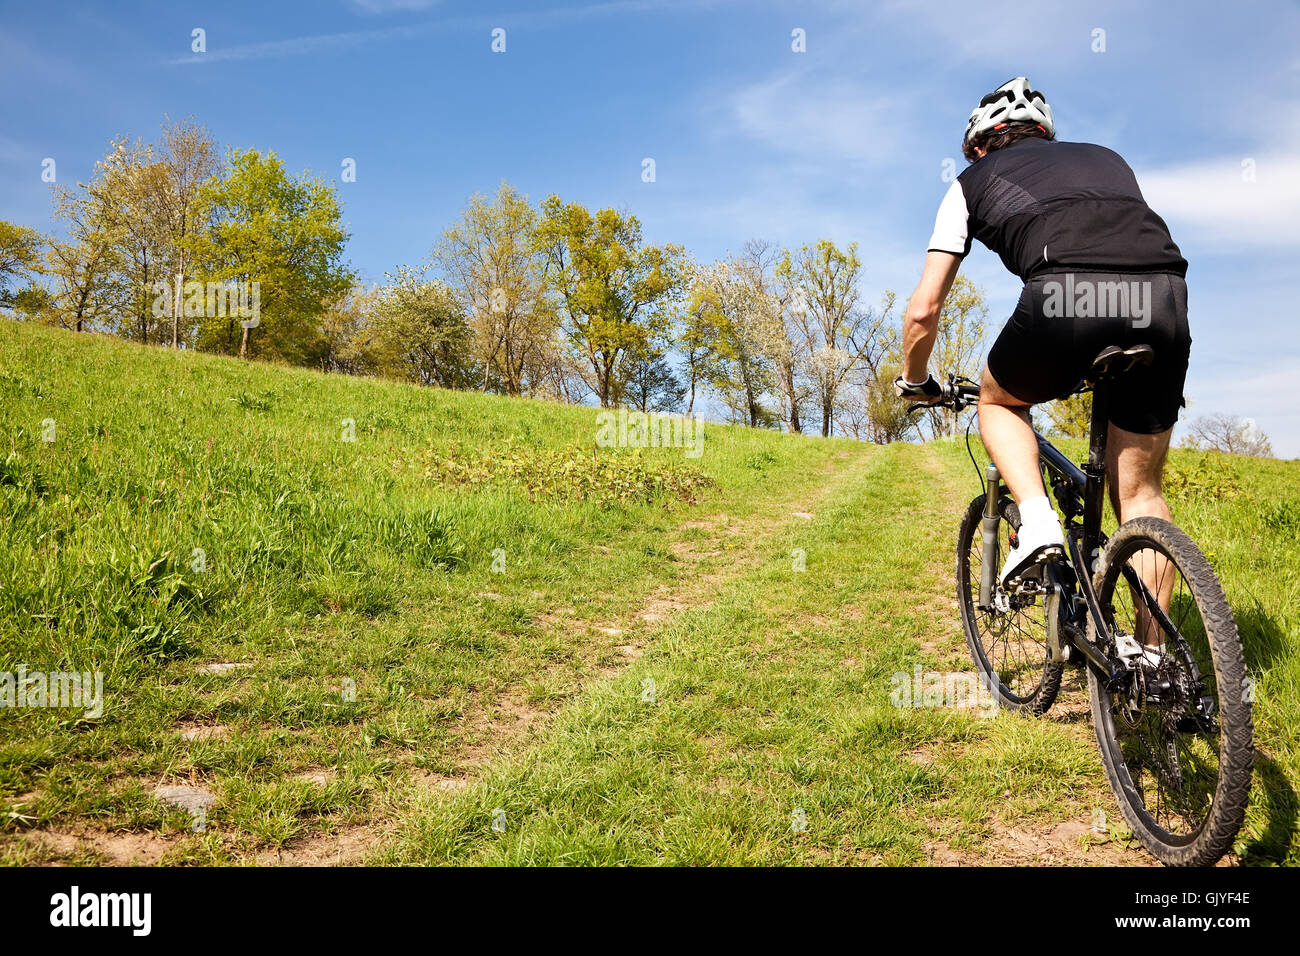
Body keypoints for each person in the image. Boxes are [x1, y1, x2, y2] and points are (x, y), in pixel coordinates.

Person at [896, 77, 1190, 631]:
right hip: (1164, 293)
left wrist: (915, 381)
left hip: (1067, 293)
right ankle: (1155, 665)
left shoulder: (968, 183)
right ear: (1046, 135)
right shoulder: (1109, 159)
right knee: (1142, 495)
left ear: (980, 145)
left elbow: (922, 310)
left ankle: (1035, 519)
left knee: (999, 402)